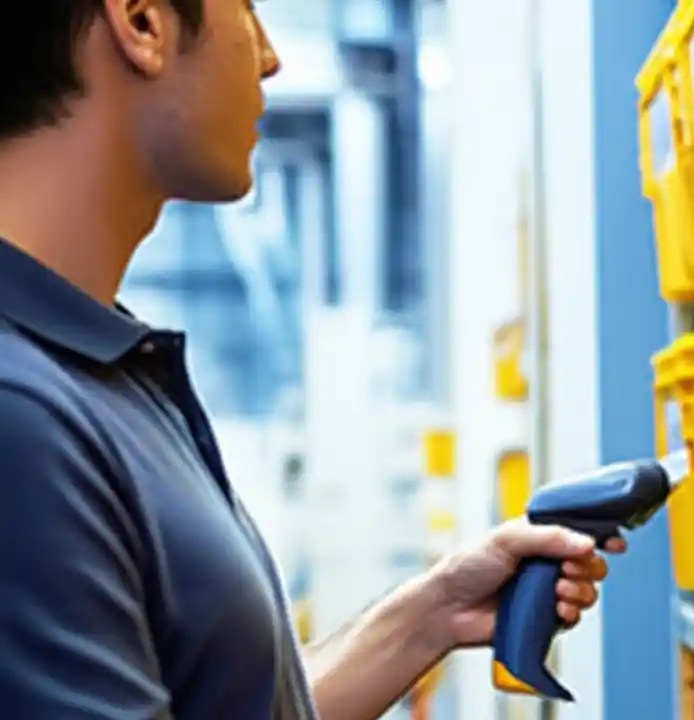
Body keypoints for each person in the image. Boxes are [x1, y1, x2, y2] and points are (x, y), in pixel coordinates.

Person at [0, 2, 623, 719]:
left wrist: (432, 613)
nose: (270, 56)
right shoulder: (21, 416)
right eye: (247, 9)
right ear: (142, 23)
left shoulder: (96, 369)